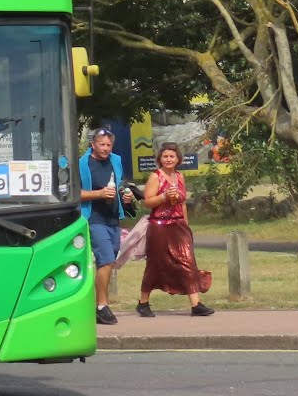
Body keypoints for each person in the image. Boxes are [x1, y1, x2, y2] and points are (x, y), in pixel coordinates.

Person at [135, 143, 214, 317]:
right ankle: (143, 303)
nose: (168, 159)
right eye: (165, 156)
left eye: (172, 156)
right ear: (160, 159)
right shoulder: (156, 176)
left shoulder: (179, 176)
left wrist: (186, 225)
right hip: (160, 226)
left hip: (178, 226)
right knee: (155, 265)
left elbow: (182, 203)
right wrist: (163, 196)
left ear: (178, 159)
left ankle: (196, 304)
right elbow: (147, 202)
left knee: (188, 263)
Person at [79, 127, 134, 325]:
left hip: (113, 218)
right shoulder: (83, 164)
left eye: (109, 145)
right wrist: (99, 194)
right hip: (94, 218)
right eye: (101, 144)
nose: (105, 148)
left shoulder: (115, 161)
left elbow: (121, 185)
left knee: (109, 261)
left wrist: (126, 195)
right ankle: (102, 306)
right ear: (93, 145)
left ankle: (99, 305)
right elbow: (74, 194)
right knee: (106, 260)